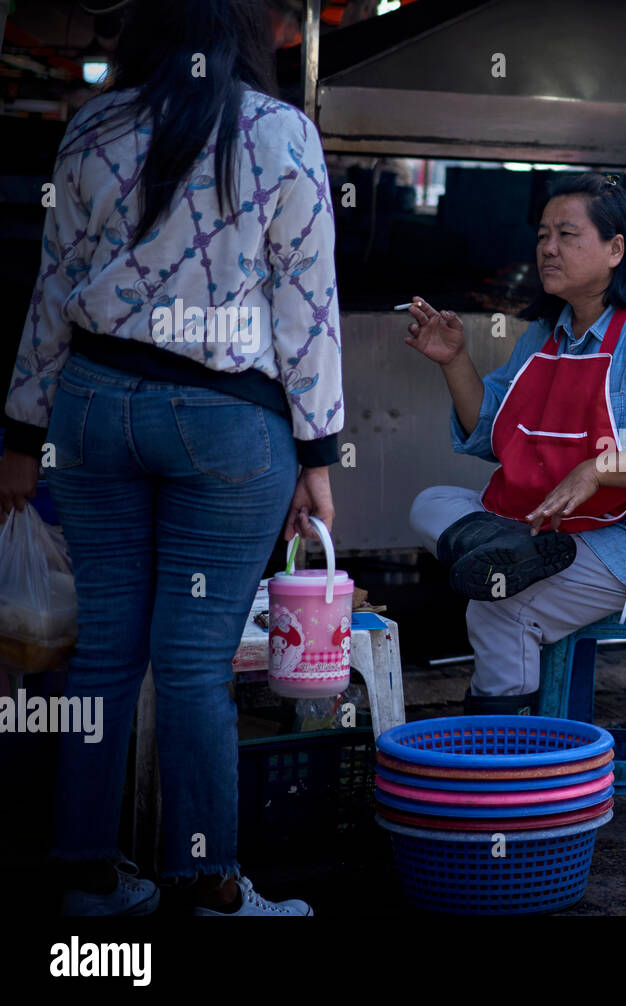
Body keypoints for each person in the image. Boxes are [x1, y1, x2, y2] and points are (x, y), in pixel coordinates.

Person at [0, 0, 339, 915]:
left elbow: (50, 288)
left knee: (105, 650)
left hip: (96, 409)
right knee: (193, 662)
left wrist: (22, 432)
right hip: (228, 425)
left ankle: (84, 873)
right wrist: (318, 452)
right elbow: (306, 305)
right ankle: (210, 886)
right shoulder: (279, 133)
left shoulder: (93, 127)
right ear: (244, 31)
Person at [407, 173, 626, 715]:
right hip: (557, 525)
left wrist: (599, 469)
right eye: (541, 236)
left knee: (497, 608)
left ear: (615, 248)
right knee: (429, 503)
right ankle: (520, 552)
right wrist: (455, 361)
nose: (548, 249)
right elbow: (492, 434)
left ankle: (507, 768)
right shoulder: (546, 331)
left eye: (567, 234)